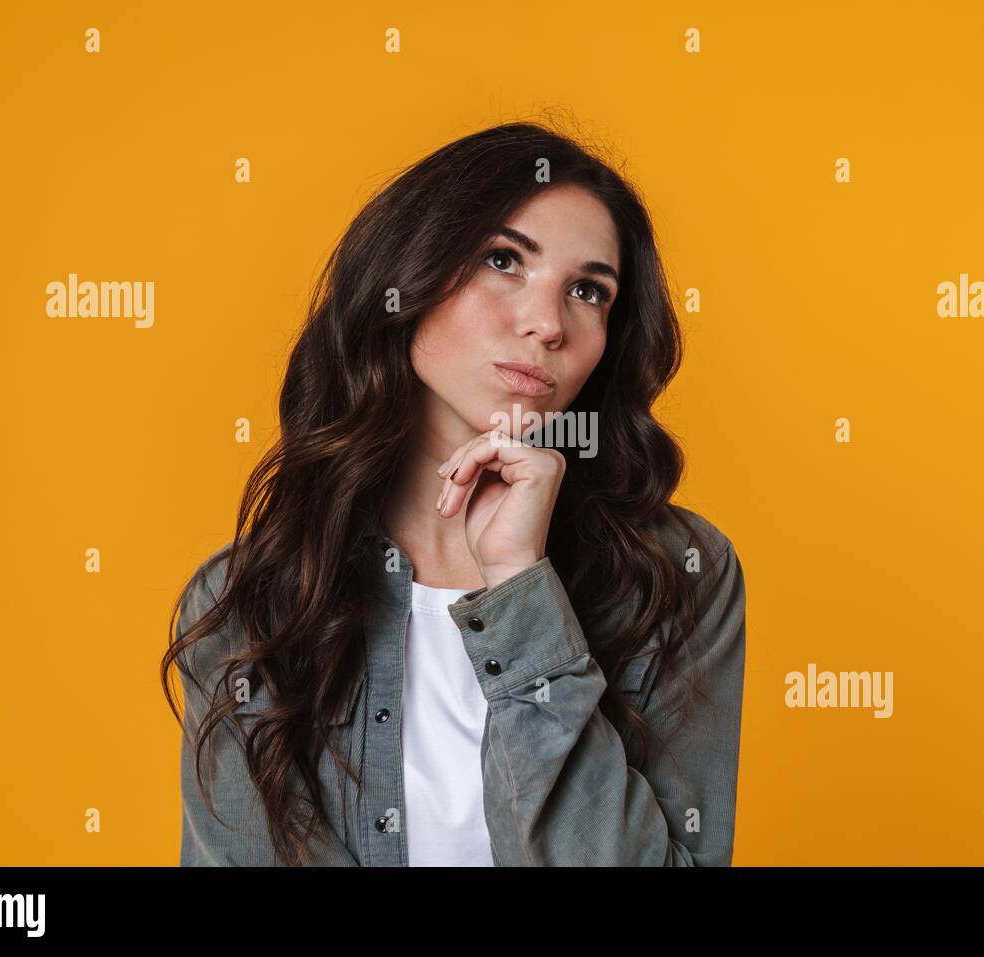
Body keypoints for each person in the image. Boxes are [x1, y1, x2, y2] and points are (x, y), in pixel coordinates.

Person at [162, 120, 747, 866]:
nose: (547, 324)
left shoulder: (677, 574)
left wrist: (519, 586)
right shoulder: (250, 602)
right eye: (503, 260)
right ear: (407, 276)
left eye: (588, 290)